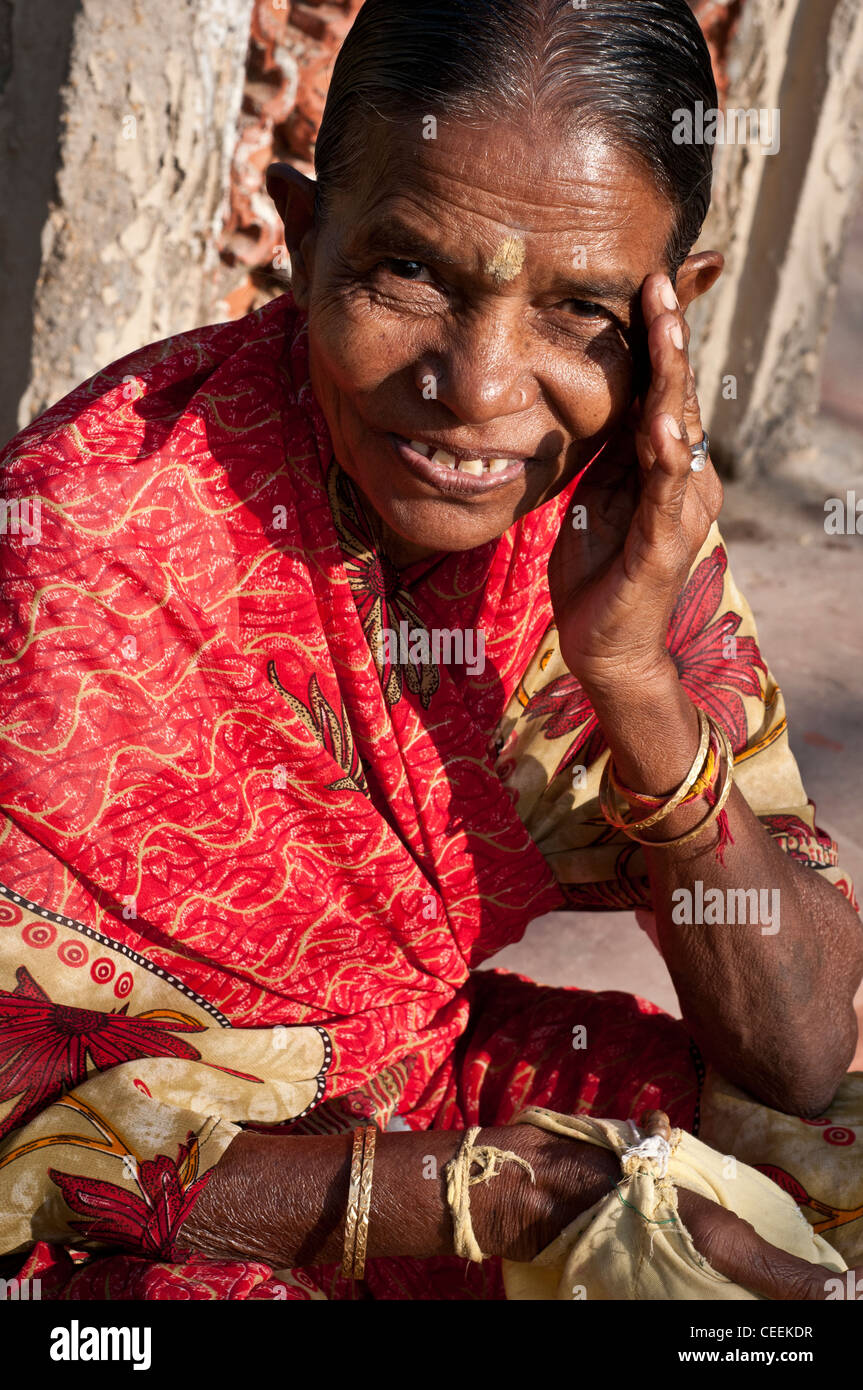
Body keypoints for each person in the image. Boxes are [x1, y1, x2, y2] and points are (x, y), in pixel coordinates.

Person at [1, 0, 861, 1302]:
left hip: (422, 1082)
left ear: (671, 317)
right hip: (156, 1193)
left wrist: (633, 677)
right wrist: (481, 1192)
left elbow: (798, 1047)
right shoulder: (94, 533)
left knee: (826, 1158)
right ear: (301, 238)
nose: (479, 386)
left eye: (580, 311)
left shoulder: (602, 526)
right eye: (409, 273)